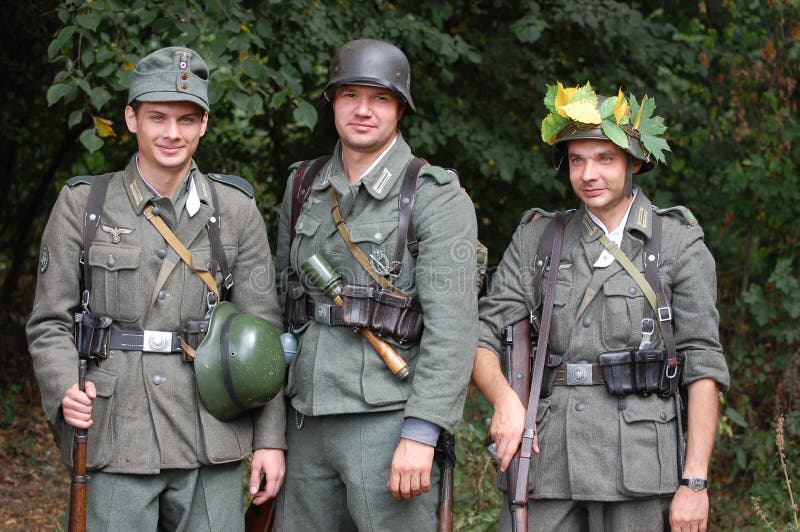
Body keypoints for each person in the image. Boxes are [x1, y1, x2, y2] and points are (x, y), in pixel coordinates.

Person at [26, 46, 286, 530]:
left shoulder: (235, 210)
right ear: (131, 118)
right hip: (115, 431)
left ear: (204, 124)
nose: (172, 133)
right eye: (157, 117)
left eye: (187, 119)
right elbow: (49, 322)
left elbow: (264, 334)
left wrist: (270, 441)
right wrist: (65, 386)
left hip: (212, 430)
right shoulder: (85, 205)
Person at [472, 82, 730, 532]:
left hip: (641, 470)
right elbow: (482, 334)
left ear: (634, 163)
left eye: (605, 158)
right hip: (548, 462)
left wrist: (694, 481)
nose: (589, 173)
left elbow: (702, 366)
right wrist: (503, 400)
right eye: (577, 160)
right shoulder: (538, 238)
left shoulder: (677, 243)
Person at [274, 39, 478, 530]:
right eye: (350, 96)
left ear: (400, 109)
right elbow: (282, 303)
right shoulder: (303, 185)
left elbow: (453, 329)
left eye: (380, 98)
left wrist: (423, 430)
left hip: (387, 424)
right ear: (333, 103)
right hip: (303, 419)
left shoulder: (433, 195)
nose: (363, 110)